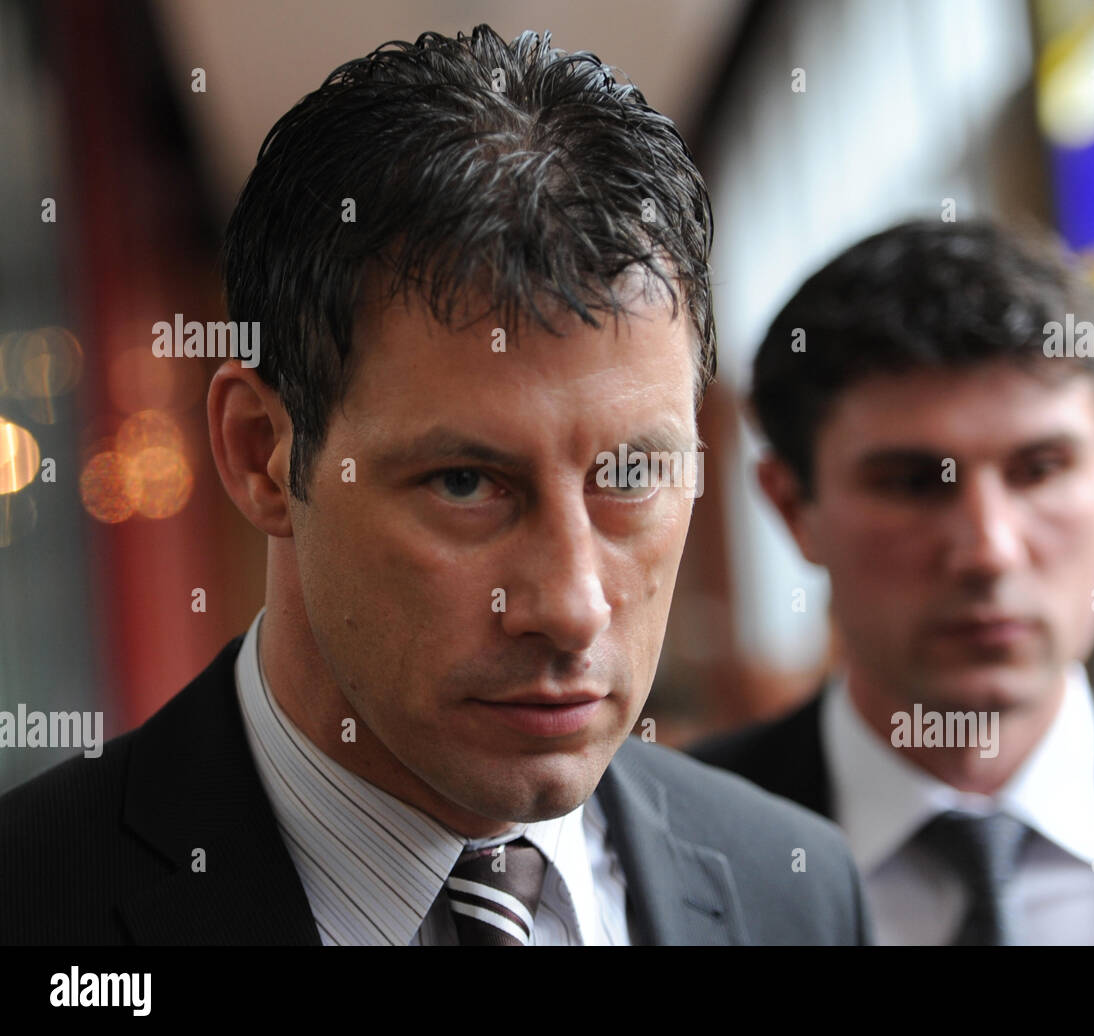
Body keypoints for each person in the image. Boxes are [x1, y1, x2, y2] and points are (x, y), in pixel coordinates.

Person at [0, 26, 868, 947]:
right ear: (260, 452)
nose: (571, 607)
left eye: (630, 472)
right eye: (466, 482)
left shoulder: (793, 888)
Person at [689, 219, 1094, 945]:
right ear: (794, 508)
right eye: (915, 483)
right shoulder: (665, 858)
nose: (990, 550)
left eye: (1039, 470)